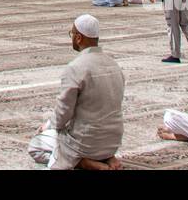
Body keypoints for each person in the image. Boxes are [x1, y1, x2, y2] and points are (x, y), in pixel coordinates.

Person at [29, 14, 125, 170]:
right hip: (113, 141)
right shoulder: (114, 64)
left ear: (79, 38)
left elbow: (63, 111)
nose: (71, 37)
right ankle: (108, 158)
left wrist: (49, 126)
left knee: (36, 146)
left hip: (85, 142)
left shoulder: (76, 67)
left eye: (72, 34)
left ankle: (83, 162)